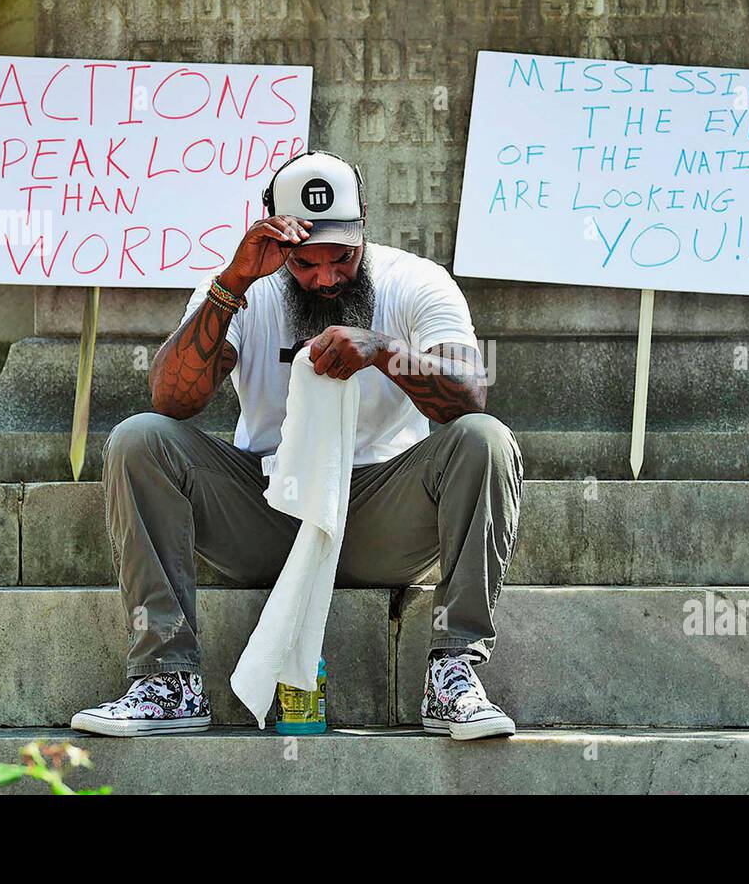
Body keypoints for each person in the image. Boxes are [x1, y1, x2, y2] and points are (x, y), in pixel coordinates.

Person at [70, 150, 522, 741]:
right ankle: (168, 680)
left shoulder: (415, 282)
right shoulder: (241, 288)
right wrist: (230, 285)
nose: (327, 277)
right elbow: (172, 400)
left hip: (382, 513)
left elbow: (468, 397)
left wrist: (384, 350)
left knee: (486, 440)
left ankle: (454, 673)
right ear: (276, 241)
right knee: (139, 438)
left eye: (343, 256)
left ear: (365, 228)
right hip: (268, 508)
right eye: (306, 261)